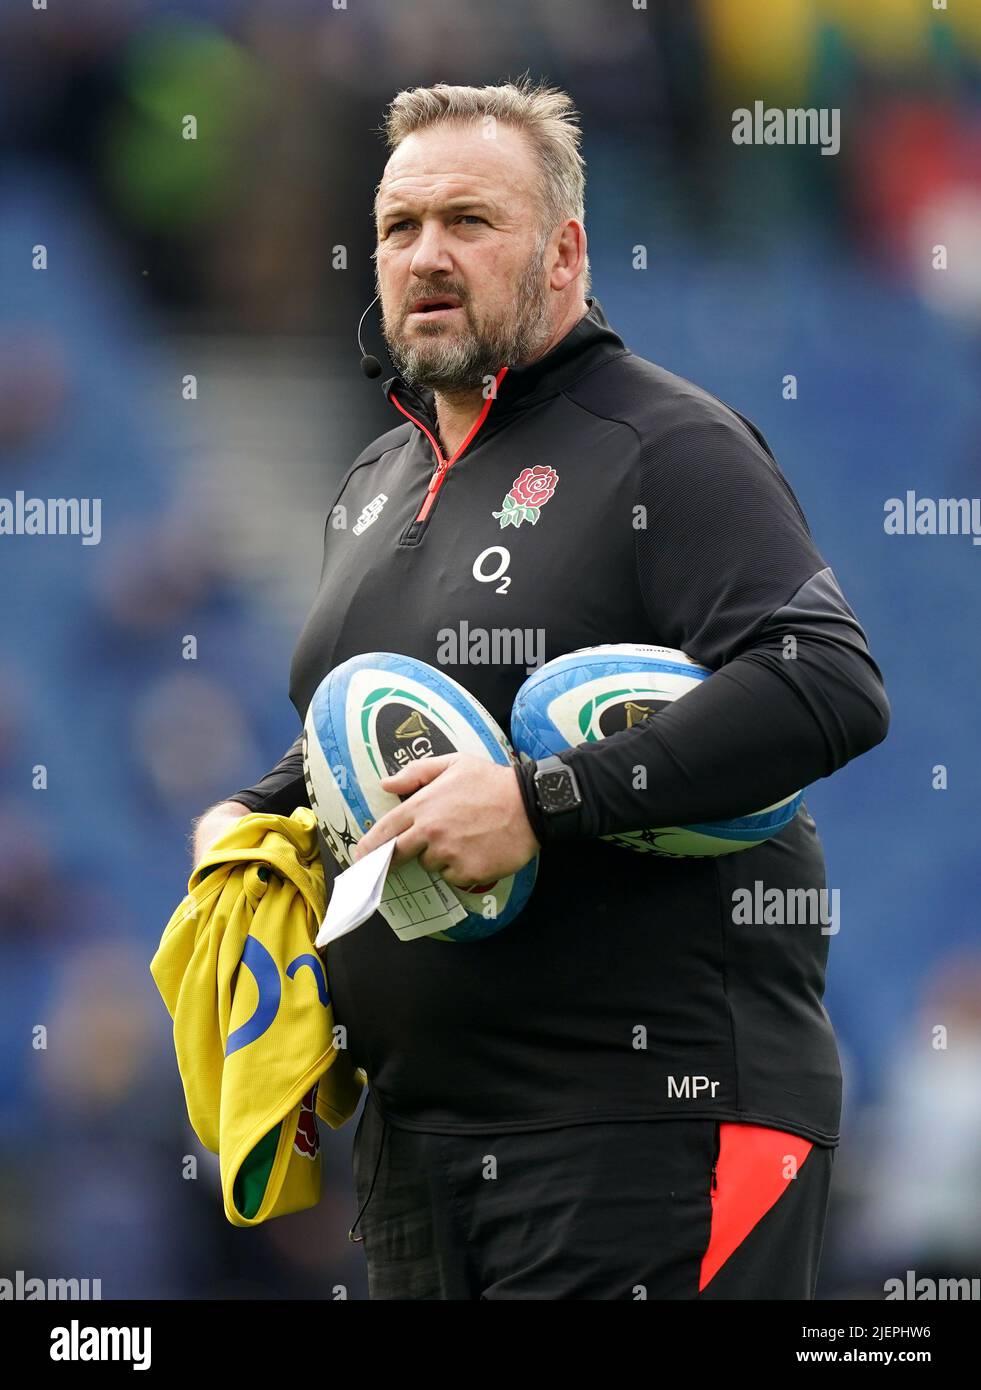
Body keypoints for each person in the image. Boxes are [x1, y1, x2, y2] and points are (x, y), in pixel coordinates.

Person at [192, 77, 890, 1300]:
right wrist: (251, 815)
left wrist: (540, 799)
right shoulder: (370, 479)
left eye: (470, 220)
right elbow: (360, 741)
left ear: (564, 252)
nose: (424, 256)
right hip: (421, 1152)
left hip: (647, 1127)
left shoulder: (665, 443)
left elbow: (827, 680)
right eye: (401, 226)